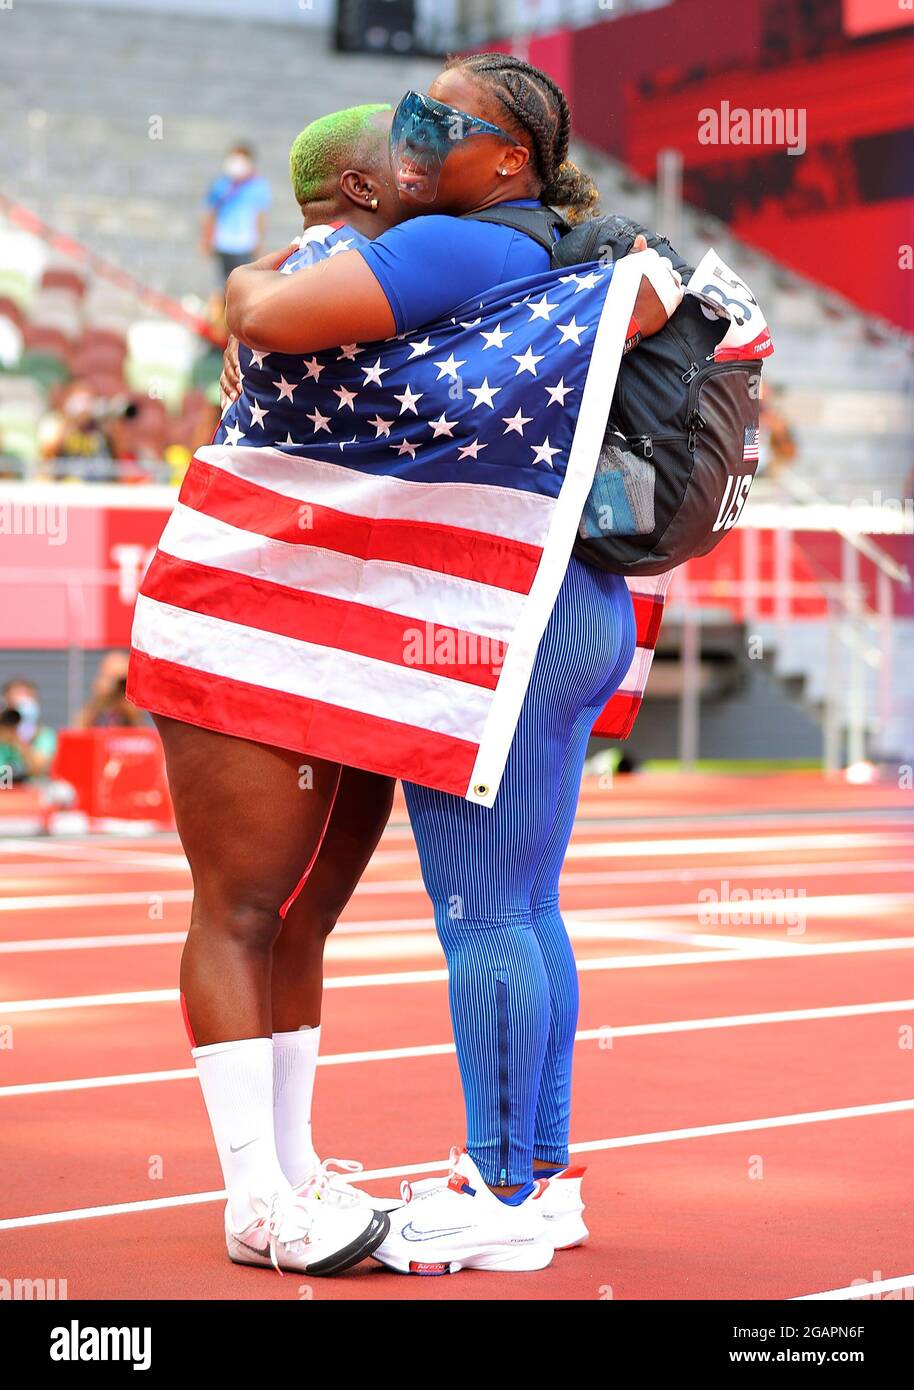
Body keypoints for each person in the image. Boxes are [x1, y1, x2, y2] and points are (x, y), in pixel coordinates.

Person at [130, 73, 680, 1276]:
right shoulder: (571, 250)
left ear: (504, 157)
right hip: (548, 599)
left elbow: (263, 324)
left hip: (434, 615)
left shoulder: (435, 251)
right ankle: (510, 1181)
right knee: (485, 906)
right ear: (361, 188)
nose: (426, 140)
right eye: (409, 129)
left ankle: (481, 1187)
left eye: (444, 125)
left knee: (436, 909)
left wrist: (238, 287)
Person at [201, 143, 272, 287]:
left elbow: (260, 217)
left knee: (241, 286)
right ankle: (218, 309)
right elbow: (210, 213)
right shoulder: (221, 184)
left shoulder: (258, 186)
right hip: (223, 243)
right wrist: (206, 239)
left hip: (245, 244)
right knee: (221, 284)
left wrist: (259, 243)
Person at [0, 678, 57, 783]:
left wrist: (19, 740)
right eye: (14, 705)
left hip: (29, 795)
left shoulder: (44, 736)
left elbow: (38, 769)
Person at [77, 652, 144, 729]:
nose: (120, 688)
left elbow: (136, 722)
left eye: (123, 683)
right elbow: (81, 727)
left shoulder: (130, 708)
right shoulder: (94, 711)